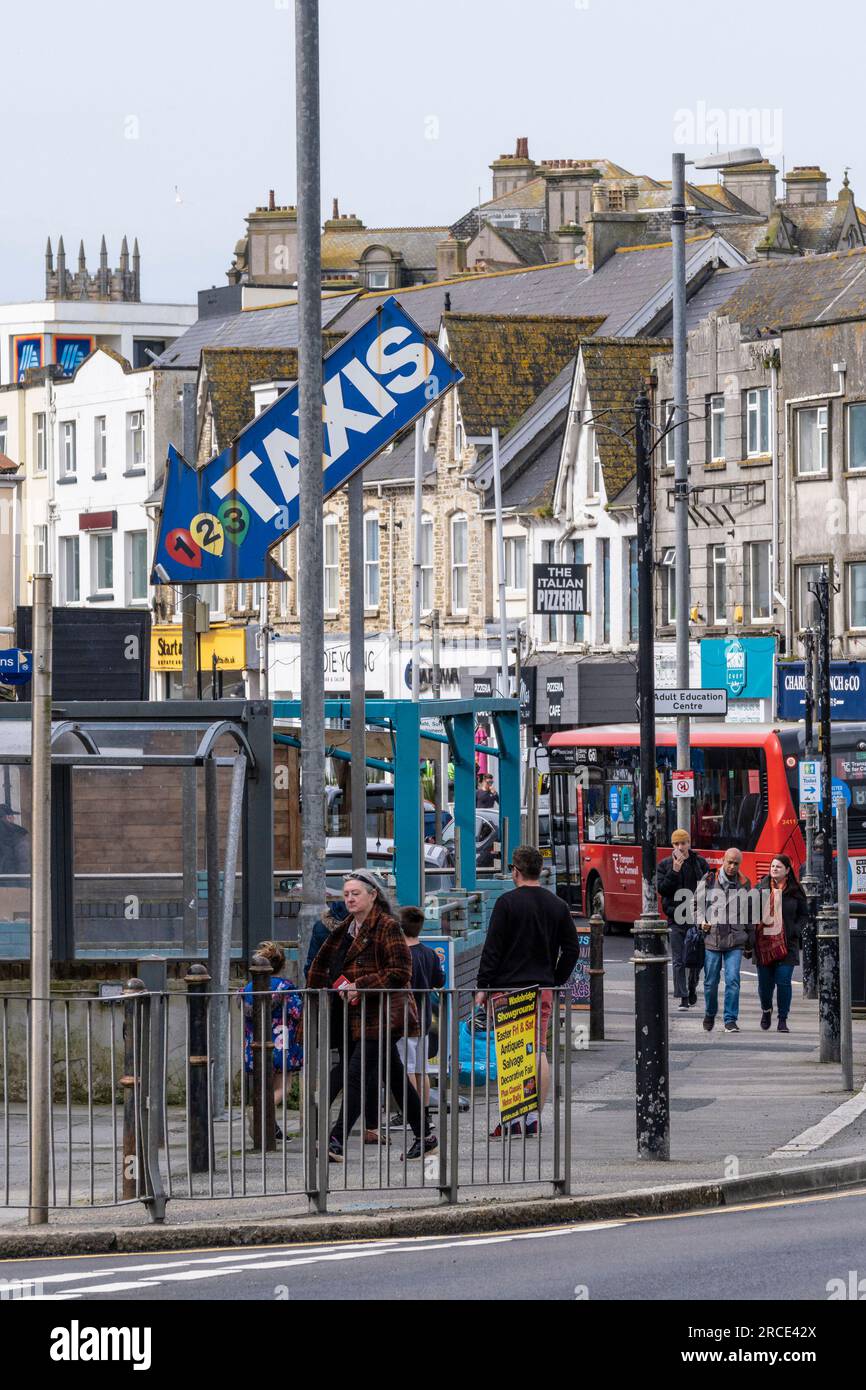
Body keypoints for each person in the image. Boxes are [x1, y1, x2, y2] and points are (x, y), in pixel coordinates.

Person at [307, 869, 436, 1161]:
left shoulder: (387, 926)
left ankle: (335, 1141)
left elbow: (401, 971)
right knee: (396, 1078)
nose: (350, 899)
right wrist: (320, 987)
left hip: (381, 1014)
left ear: (373, 895)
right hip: (356, 1015)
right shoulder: (348, 928)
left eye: (356, 894)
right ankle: (425, 1136)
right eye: (346, 894)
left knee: (355, 1075)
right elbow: (325, 963)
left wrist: (360, 986)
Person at [476, 844, 579, 1137]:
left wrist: (483, 986)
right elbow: (571, 950)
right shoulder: (557, 905)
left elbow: (492, 950)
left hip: (507, 989)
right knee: (539, 1049)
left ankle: (511, 1120)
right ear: (540, 871)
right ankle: (533, 1116)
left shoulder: (506, 903)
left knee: (512, 1052)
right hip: (542, 987)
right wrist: (554, 979)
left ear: (515, 871)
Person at [240, 941, 303, 1139]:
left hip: (255, 1046)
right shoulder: (285, 987)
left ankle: (270, 1128)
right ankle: (260, 1111)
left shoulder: (248, 988)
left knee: (264, 1085)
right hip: (281, 1045)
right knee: (283, 1086)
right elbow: (297, 1011)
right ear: (282, 965)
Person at [696, 847, 755, 1034]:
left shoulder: (745, 883)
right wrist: (701, 922)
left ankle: (730, 1019)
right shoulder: (708, 880)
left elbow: (748, 913)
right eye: (729, 862)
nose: (732, 866)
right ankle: (710, 1013)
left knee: (733, 980)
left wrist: (750, 943)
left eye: (736, 863)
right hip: (712, 938)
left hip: (735, 939)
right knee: (710, 982)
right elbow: (694, 905)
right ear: (723, 860)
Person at [396, 906, 445, 1108]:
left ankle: (411, 1113)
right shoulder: (430, 954)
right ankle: (423, 1112)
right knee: (421, 1069)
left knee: (406, 1069)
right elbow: (439, 981)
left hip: (404, 1018)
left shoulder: (401, 955)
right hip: (424, 1018)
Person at [657, 829, 709, 1010]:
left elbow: (705, 885)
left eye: (684, 843)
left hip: (696, 917)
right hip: (675, 916)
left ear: (689, 843)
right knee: (678, 959)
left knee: (695, 958)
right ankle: (683, 997)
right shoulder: (664, 865)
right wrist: (674, 871)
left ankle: (692, 985)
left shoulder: (700, 862)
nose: (681, 847)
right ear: (672, 846)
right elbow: (662, 890)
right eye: (677, 844)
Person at [755, 855, 807, 1033]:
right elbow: (749, 914)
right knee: (765, 985)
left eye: (778, 866)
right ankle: (766, 1010)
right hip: (764, 945)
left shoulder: (796, 891)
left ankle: (783, 1019)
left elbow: (804, 915)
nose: (774, 869)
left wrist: (795, 930)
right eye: (772, 866)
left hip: (787, 944)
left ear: (787, 870)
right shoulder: (760, 888)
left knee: (784, 982)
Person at [303, 897, 349, 980]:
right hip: (351, 981)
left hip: (328, 980)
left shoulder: (320, 926)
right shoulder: (354, 926)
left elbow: (313, 959)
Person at [0, 804, 28, 876]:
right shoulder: (18, 834)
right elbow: (24, 861)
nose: (14, 819)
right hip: (13, 879)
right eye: (12, 816)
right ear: (8, 817)